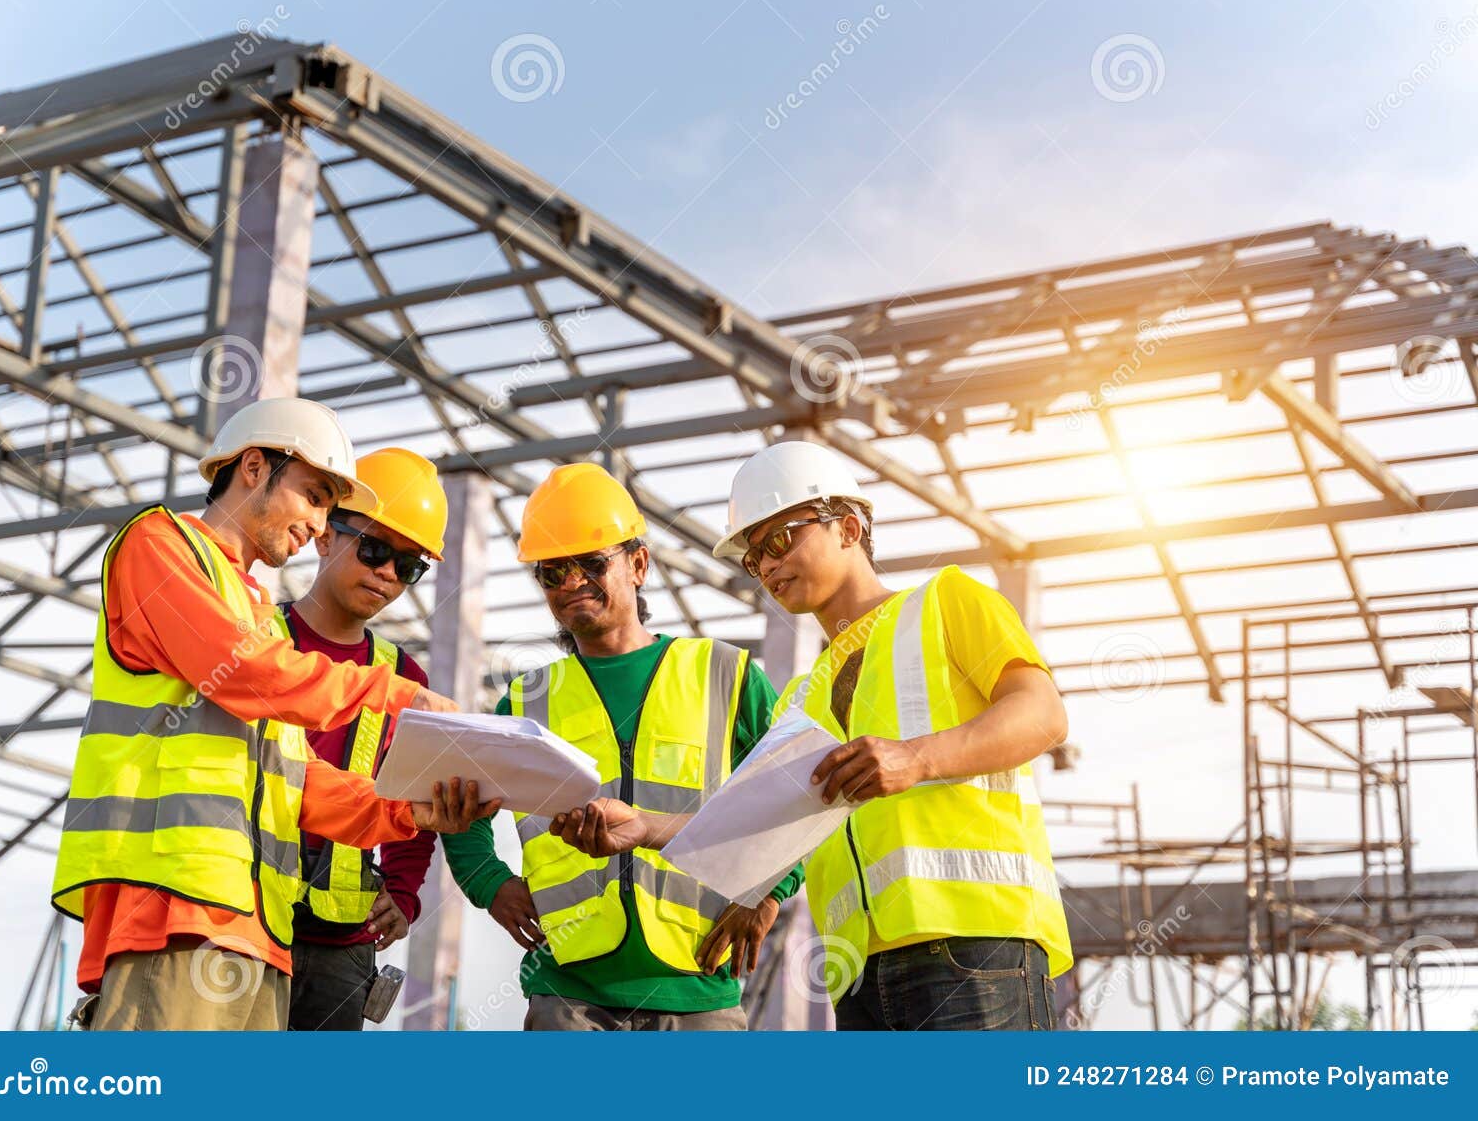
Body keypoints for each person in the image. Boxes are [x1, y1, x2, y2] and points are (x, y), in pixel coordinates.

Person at [51, 397, 496, 1031]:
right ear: (254, 467)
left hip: (260, 933)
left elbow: (296, 782)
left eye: (326, 507)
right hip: (172, 916)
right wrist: (393, 692)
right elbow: (244, 671)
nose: (318, 524)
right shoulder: (160, 546)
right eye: (314, 497)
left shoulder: (257, 615)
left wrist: (408, 814)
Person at [713, 439, 1072, 1031]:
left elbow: (1043, 713)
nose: (768, 567)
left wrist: (918, 758)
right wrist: (765, 890)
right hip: (857, 971)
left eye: (779, 540)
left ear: (849, 529)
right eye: (754, 559)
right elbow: (786, 819)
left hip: (975, 946)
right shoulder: (800, 696)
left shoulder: (946, 601)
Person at [441, 462, 801, 1031]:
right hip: (568, 994)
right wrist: (489, 883)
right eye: (552, 572)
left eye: (591, 563)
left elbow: (796, 791)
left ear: (638, 564)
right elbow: (459, 802)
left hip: (698, 987)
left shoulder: (724, 675)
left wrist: (771, 889)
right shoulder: (528, 699)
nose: (571, 583)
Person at [278, 447, 448, 1031]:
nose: (388, 574)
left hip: (343, 942)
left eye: (409, 566)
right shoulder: (259, 641)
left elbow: (416, 801)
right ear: (325, 534)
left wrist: (403, 892)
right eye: (374, 550)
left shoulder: (407, 679)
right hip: (244, 922)